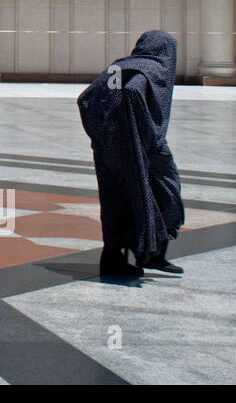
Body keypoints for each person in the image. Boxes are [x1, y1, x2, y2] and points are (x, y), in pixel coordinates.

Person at [77, 30, 186, 279]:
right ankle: (151, 254)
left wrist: (103, 131)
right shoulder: (153, 68)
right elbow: (132, 92)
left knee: (116, 199)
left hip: (109, 147)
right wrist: (139, 131)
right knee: (165, 191)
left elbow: (87, 98)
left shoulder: (121, 66)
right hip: (142, 146)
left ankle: (117, 258)